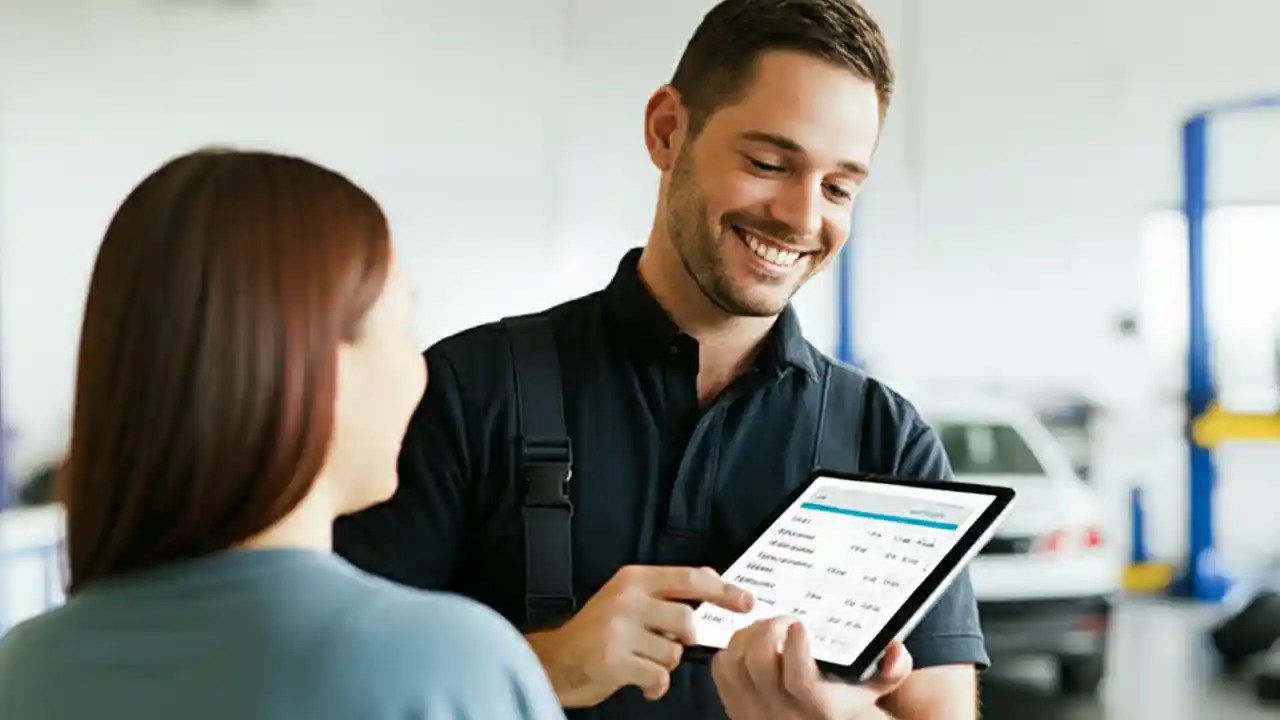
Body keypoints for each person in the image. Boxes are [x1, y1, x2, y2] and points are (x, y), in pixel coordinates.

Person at [335, 0, 988, 718]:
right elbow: (336, 689)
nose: (803, 219)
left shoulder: (885, 441)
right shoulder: (470, 392)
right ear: (668, 130)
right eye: (769, 163)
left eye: (838, 188)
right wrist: (548, 667)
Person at [0, 149, 565, 720]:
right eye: (404, 329)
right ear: (324, 369)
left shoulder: (23, 668)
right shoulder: (448, 665)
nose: (419, 370)